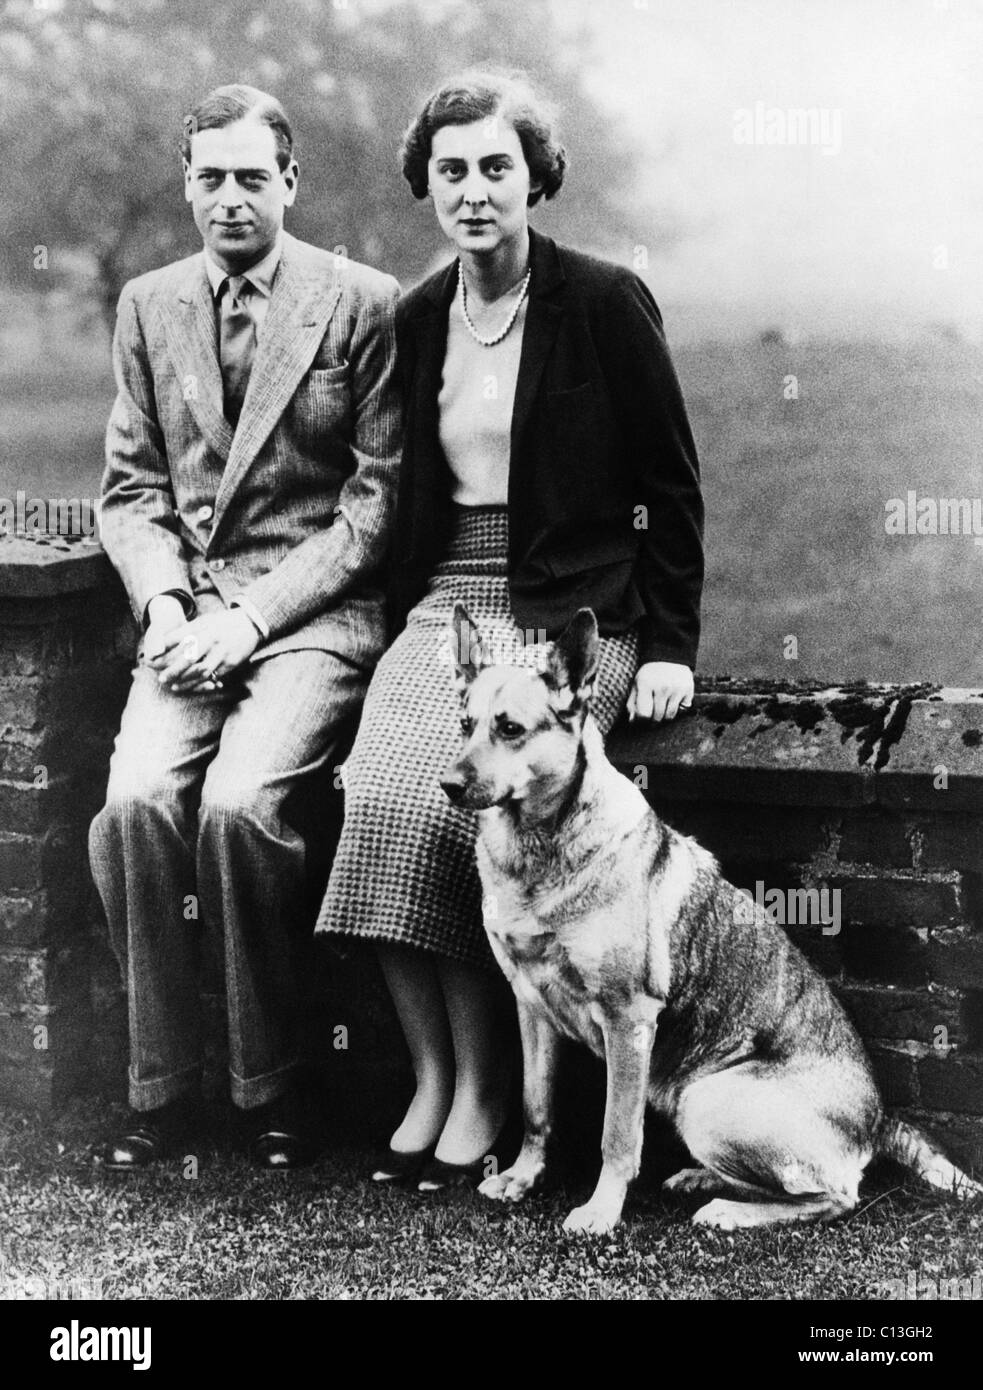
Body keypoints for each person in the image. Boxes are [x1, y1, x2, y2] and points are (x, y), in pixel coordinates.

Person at [317, 69, 703, 1189]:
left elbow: (668, 489)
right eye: (451, 172)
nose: (474, 192)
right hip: (450, 597)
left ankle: (491, 1095)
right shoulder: (416, 315)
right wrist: (391, 632)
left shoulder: (604, 301)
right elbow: (404, 495)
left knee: (483, 815)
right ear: (423, 185)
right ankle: (434, 1075)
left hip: (568, 610)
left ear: (536, 177)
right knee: (386, 799)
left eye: (496, 168)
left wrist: (668, 641)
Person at [89, 84, 401, 1171]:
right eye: (209, 178)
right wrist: (170, 602)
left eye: (251, 178)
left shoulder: (360, 302)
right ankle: (160, 1086)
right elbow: (130, 494)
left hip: (313, 615)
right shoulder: (148, 304)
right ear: (187, 186)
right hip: (189, 615)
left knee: (237, 806)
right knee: (132, 804)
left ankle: (273, 1083)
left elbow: (373, 508)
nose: (230, 199)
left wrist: (254, 616)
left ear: (290, 183)